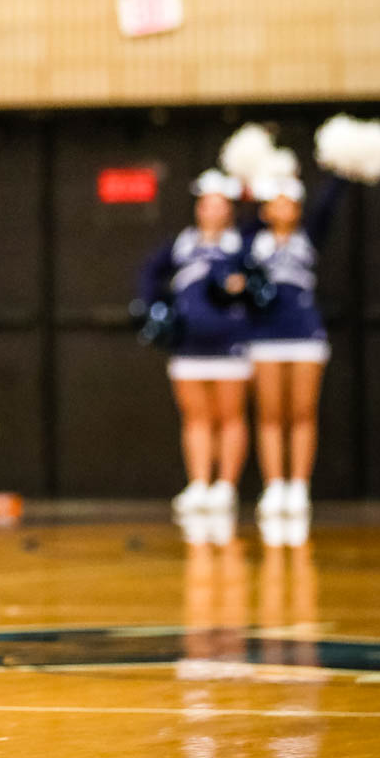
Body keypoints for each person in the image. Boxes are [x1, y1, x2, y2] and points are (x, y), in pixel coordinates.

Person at [139, 171, 253, 519]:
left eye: (220, 205)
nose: (212, 211)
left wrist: (242, 286)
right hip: (189, 344)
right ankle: (200, 482)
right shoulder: (183, 243)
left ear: (230, 209)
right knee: (196, 418)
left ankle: (226, 486)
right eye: (206, 204)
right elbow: (147, 273)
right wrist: (157, 307)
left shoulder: (242, 245)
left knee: (230, 417)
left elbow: (261, 284)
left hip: (231, 342)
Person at [242, 173, 347, 524]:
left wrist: (339, 170)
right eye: (276, 202)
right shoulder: (252, 243)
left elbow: (328, 205)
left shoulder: (309, 237)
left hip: (305, 336)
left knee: (302, 414)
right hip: (264, 337)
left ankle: (299, 485)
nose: (283, 208)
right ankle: (274, 485)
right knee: (270, 416)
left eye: (290, 203)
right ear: (265, 209)